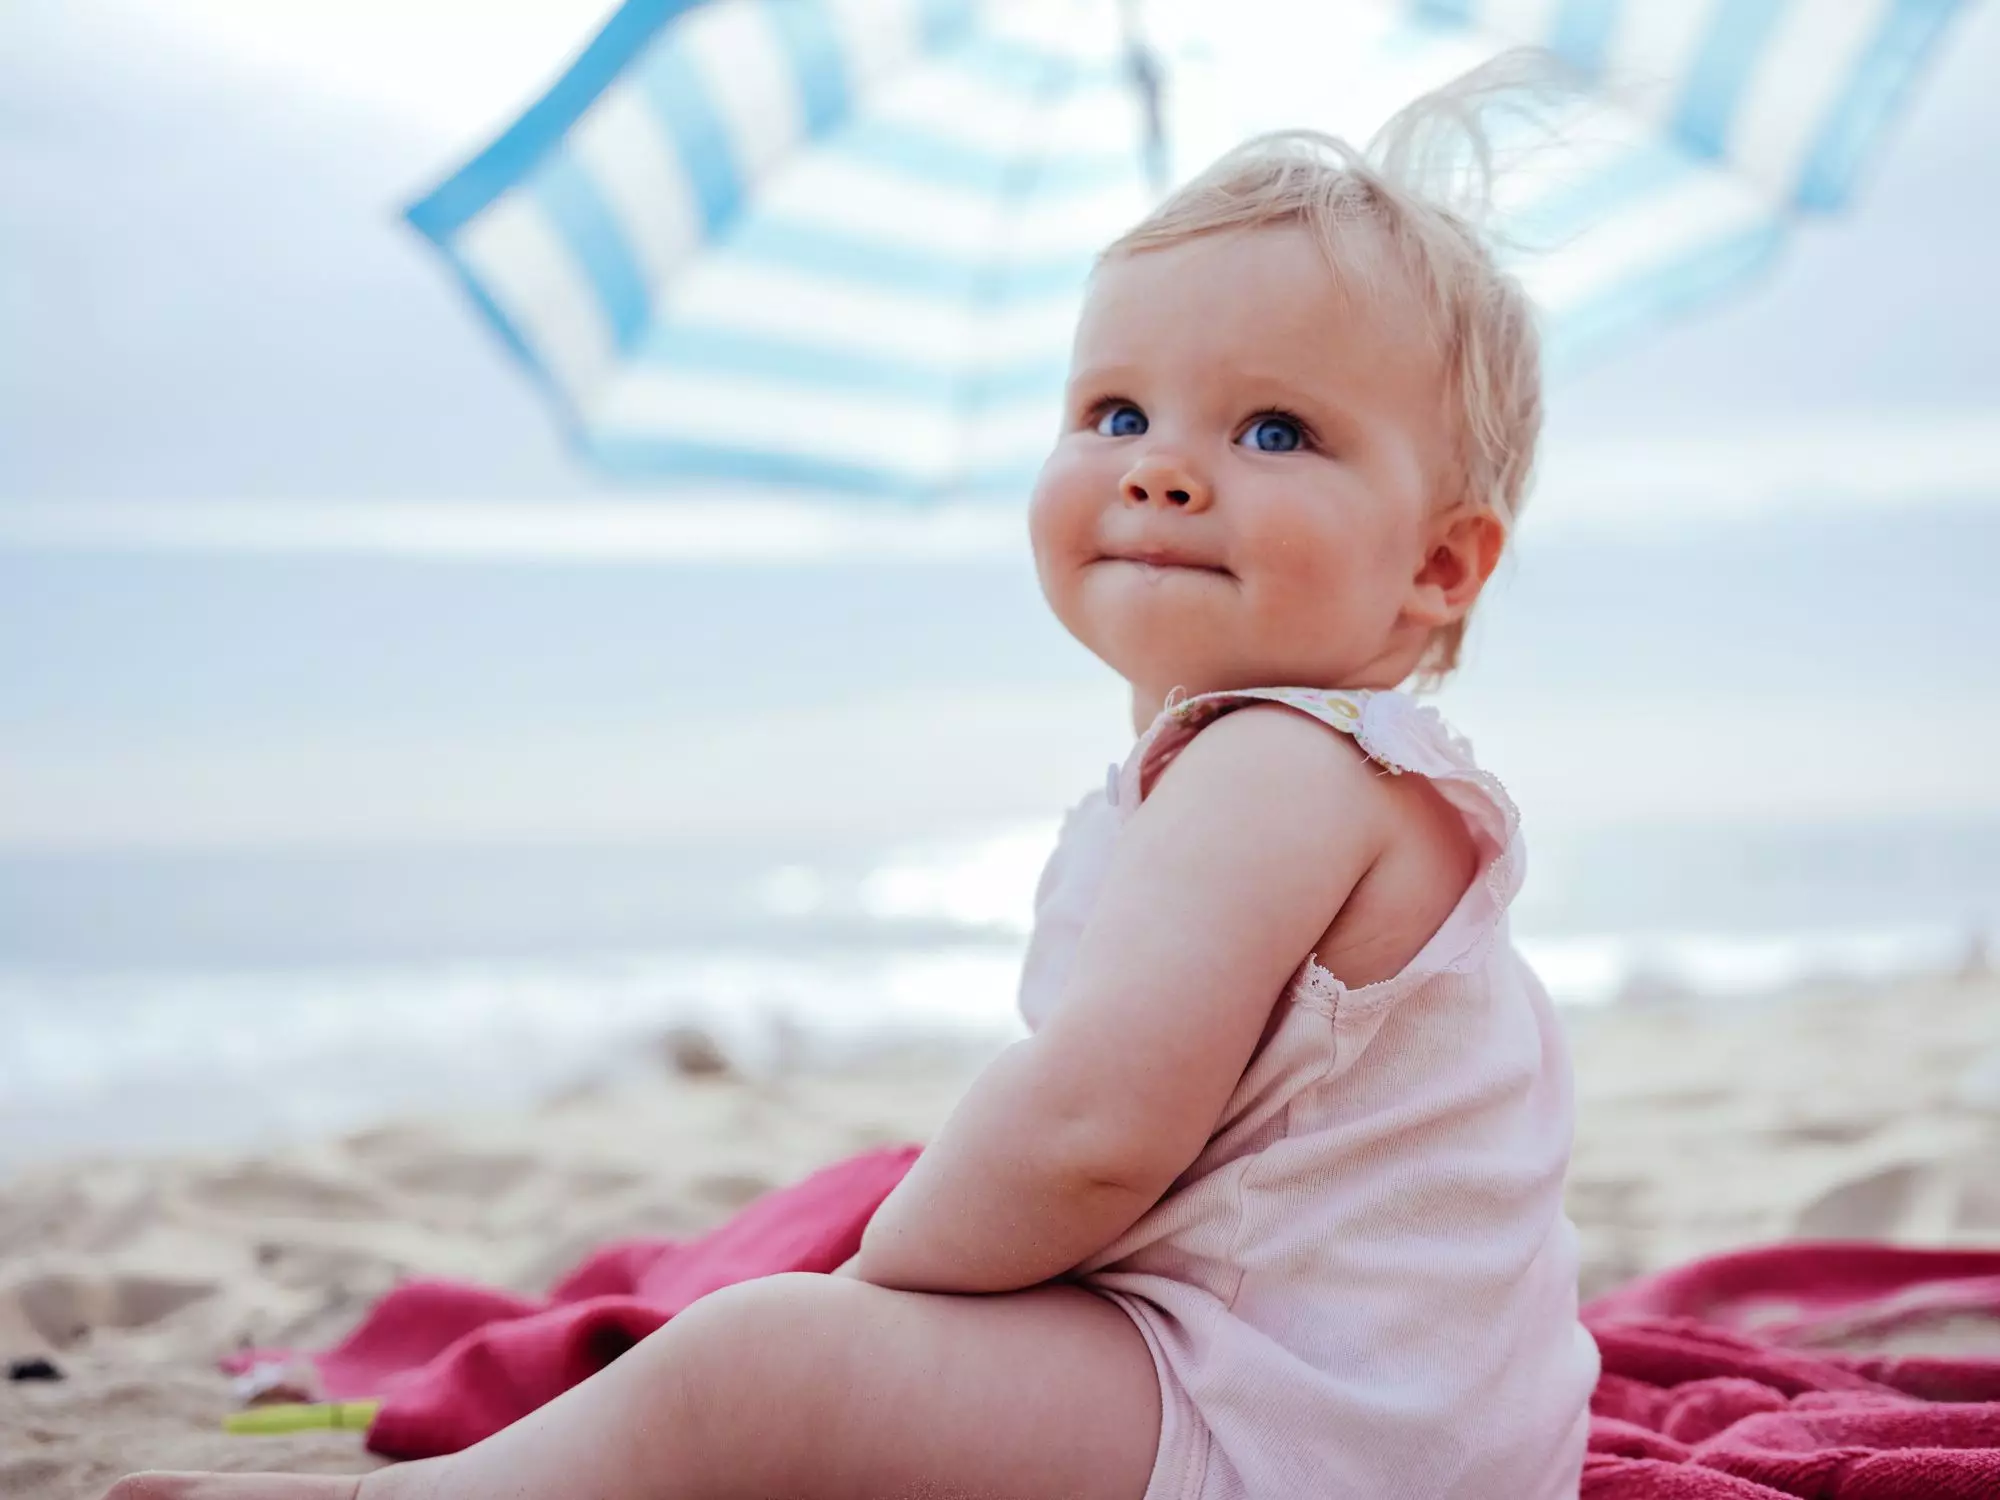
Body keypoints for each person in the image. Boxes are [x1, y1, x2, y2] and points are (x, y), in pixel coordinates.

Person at [105, 68, 1598, 1500]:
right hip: (1359, 1407)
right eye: (1116, 413)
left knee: (764, 1360)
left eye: (1274, 430)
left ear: (1438, 566)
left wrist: (878, 1288)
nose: (1164, 470)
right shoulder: (1275, 776)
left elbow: (1087, 1139)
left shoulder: (1277, 766)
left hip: (1294, 1431)